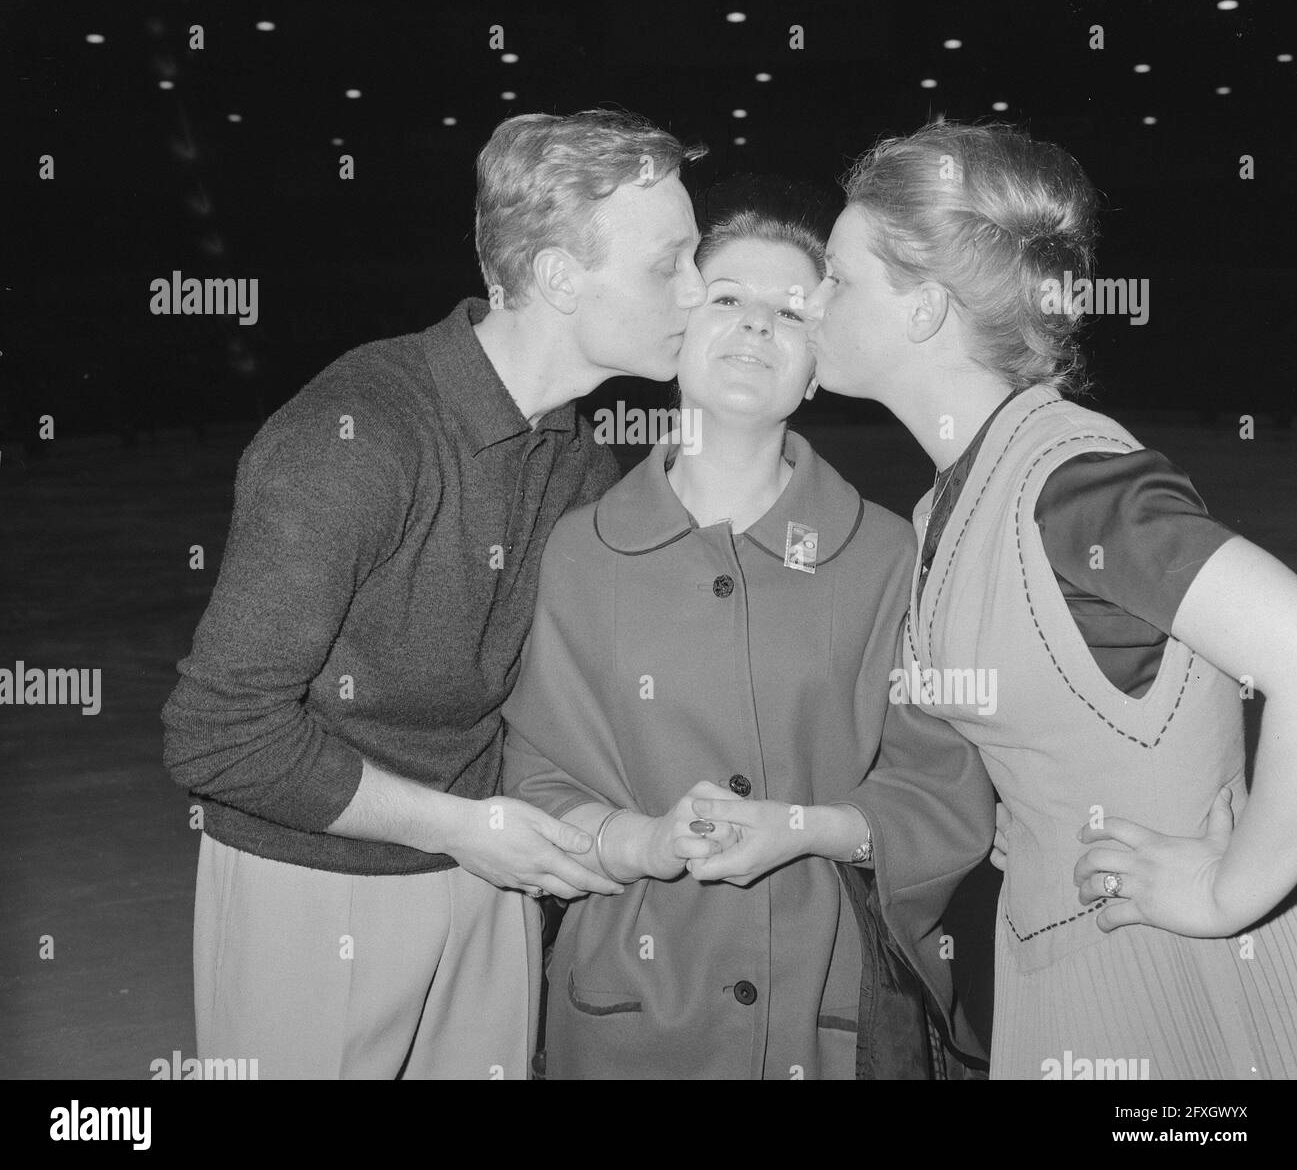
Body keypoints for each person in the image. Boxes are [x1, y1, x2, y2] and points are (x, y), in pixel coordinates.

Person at [160, 108, 712, 1079]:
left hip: (483, 879)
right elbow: (217, 733)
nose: (697, 291)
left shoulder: (578, 460)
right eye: (669, 263)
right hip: (315, 874)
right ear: (556, 275)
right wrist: (464, 827)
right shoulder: (359, 434)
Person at [805, 119, 1297, 1079]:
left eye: (836, 276)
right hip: (1063, 963)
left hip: (1165, 980)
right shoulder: (951, 494)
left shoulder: (1075, 490)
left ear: (922, 309)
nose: (809, 301)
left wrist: (1230, 893)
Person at [502, 208, 994, 1080]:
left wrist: (806, 828)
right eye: (727, 296)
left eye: (795, 310)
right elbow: (538, 779)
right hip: (629, 1005)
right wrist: (641, 843)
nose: (759, 324)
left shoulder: (887, 555)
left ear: (815, 371)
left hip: (827, 1004)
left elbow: (943, 792)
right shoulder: (578, 550)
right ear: (679, 329)